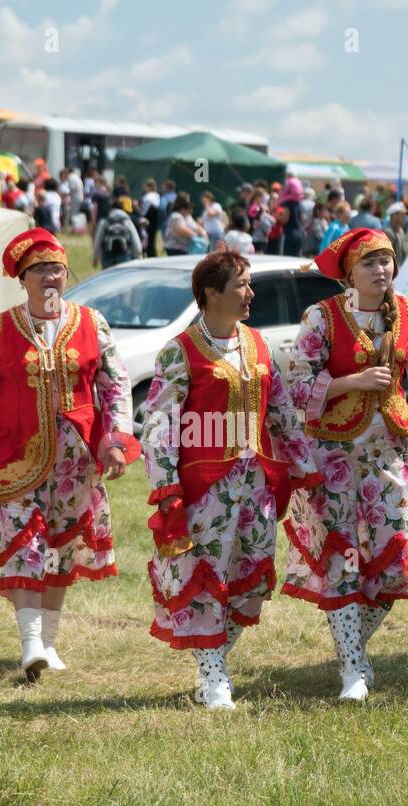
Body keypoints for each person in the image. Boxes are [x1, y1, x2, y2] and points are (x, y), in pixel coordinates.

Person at [141, 249, 319, 709]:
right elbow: (161, 424)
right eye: (241, 285)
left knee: (253, 579)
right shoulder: (179, 351)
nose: (250, 293)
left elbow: (278, 409)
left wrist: (304, 467)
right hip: (205, 490)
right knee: (205, 579)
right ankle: (214, 675)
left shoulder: (257, 344)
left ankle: (214, 656)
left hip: (256, 485)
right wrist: (165, 488)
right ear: (210, 294)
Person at [0, 228, 138, 680]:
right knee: (25, 546)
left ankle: (50, 641)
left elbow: (115, 385)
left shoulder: (91, 323)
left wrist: (117, 441)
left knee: (62, 547)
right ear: (22, 278)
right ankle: (30, 645)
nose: (50, 277)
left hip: (76, 461)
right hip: (14, 456)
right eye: (39, 269)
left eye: (56, 268)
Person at [282, 229, 408, 701]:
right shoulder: (322, 316)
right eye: (369, 263)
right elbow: (296, 385)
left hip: (392, 452)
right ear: (349, 272)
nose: (380, 270)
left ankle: (350, 648)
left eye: (386, 261)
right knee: (342, 559)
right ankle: (353, 669)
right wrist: (350, 381)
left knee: (391, 554)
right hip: (331, 454)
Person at [92, 196, 143, 269]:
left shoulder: (105, 222)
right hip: (125, 255)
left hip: (107, 257)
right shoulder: (127, 222)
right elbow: (136, 243)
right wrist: (138, 258)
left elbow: (98, 242)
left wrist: (95, 259)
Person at [276, 176, 306, 257]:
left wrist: (277, 215)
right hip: (298, 234)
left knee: (287, 258)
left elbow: (285, 219)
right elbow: (303, 219)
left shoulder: (288, 203)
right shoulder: (299, 203)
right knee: (296, 258)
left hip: (289, 234)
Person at [139, 179, 161, 256]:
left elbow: (143, 212)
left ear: (149, 187)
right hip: (154, 222)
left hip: (148, 222)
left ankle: (150, 255)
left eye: (146, 186)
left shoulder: (148, 197)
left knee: (147, 241)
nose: (144, 188)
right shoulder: (156, 195)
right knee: (152, 241)